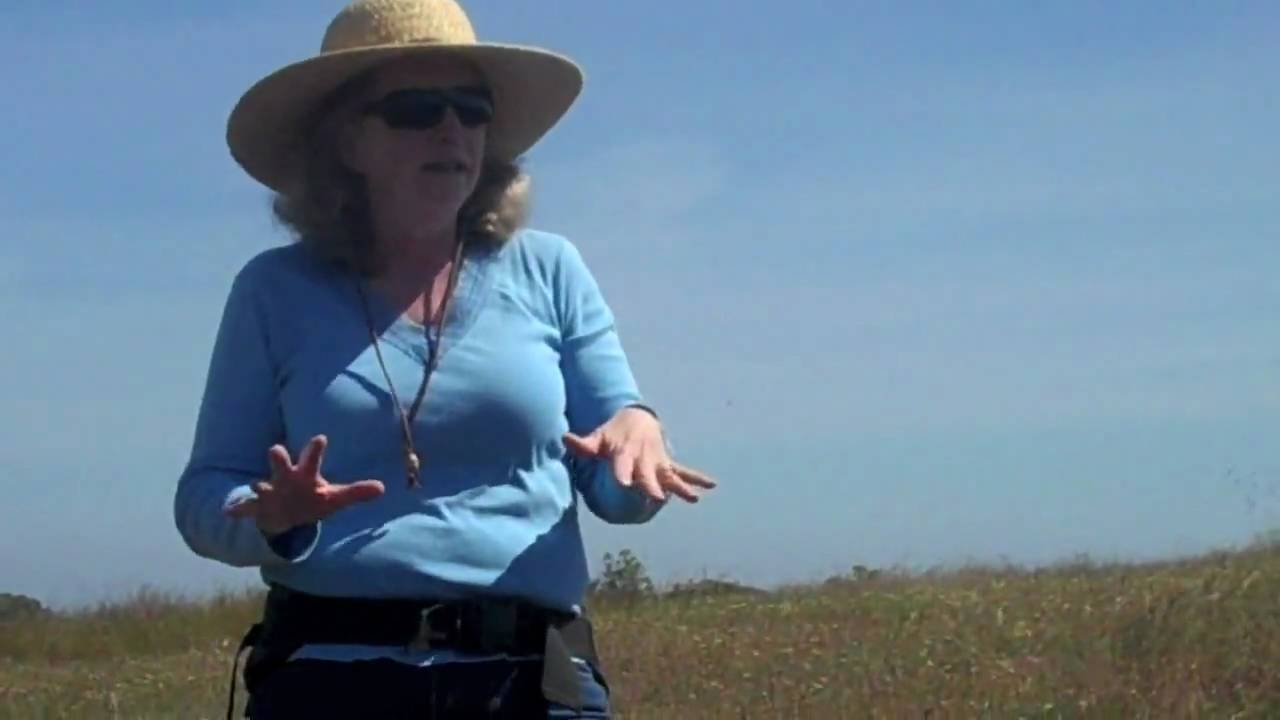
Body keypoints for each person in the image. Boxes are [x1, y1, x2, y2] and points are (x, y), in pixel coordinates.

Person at [172, 0, 717, 717]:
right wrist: (270, 515)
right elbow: (205, 494)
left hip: (530, 681)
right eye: (415, 109)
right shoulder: (275, 291)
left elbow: (616, 477)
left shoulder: (549, 270)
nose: (452, 129)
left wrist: (638, 445)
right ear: (346, 143)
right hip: (331, 679)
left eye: (471, 108)